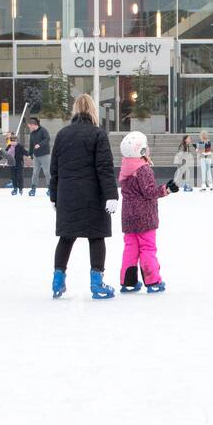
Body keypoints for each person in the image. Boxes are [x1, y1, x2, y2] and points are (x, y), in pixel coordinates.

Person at [49, 94, 119, 300]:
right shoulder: (97, 134)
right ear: (92, 110)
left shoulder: (63, 134)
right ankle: (97, 282)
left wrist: (54, 196)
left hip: (67, 194)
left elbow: (55, 169)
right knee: (96, 237)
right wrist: (111, 196)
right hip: (92, 195)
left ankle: (57, 280)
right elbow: (105, 169)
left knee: (66, 237)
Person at [118, 131, 178, 294]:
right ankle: (153, 281)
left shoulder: (125, 167)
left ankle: (128, 281)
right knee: (147, 247)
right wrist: (167, 189)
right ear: (141, 151)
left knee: (130, 248)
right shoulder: (143, 169)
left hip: (128, 216)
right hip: (144, 216)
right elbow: (149, 192)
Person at [25, 116, 52, 197]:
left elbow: (47, 139)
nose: (29, 128)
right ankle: (33, 188)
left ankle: (50, 189)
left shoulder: (43, 130)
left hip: (45, 155)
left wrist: (39, 145)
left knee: (47, 172)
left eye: (29, 126)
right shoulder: (32, 133)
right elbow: (31, 144)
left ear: (33, 125)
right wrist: (30, 155)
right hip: (36, 156)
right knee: (35, 172)